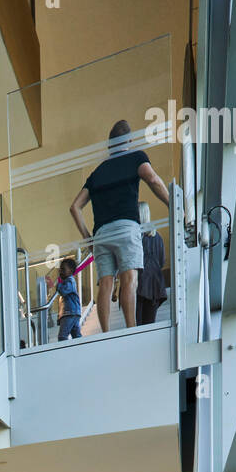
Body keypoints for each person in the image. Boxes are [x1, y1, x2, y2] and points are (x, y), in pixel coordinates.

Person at [69, 119, 171, 332]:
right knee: (129, 278)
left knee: (105, 283)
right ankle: (131, 329)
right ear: (129, 140)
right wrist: (174, 205)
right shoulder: (136, 157)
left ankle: (106, 333)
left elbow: (75, 207)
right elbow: (152, 179)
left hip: (102, 234)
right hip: (126, 227)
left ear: (109, 145)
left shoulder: (97, 172)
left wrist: (89, 239)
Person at [136, 202, 167, 325]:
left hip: (139, 284)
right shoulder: (157, 236)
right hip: (155, 285)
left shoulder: (136, 237)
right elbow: (162, 261)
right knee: (149, 325)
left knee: (136, 326)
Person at [50, 257, 82, 341]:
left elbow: (63, 291)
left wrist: (58, 285)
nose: (61, 272)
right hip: (72, 313)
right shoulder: (68, 281)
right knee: (76, 336)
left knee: (62, 336)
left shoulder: (70, 281)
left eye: (63, 269)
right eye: (60, 269)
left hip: (69, 313)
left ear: (71, 271)